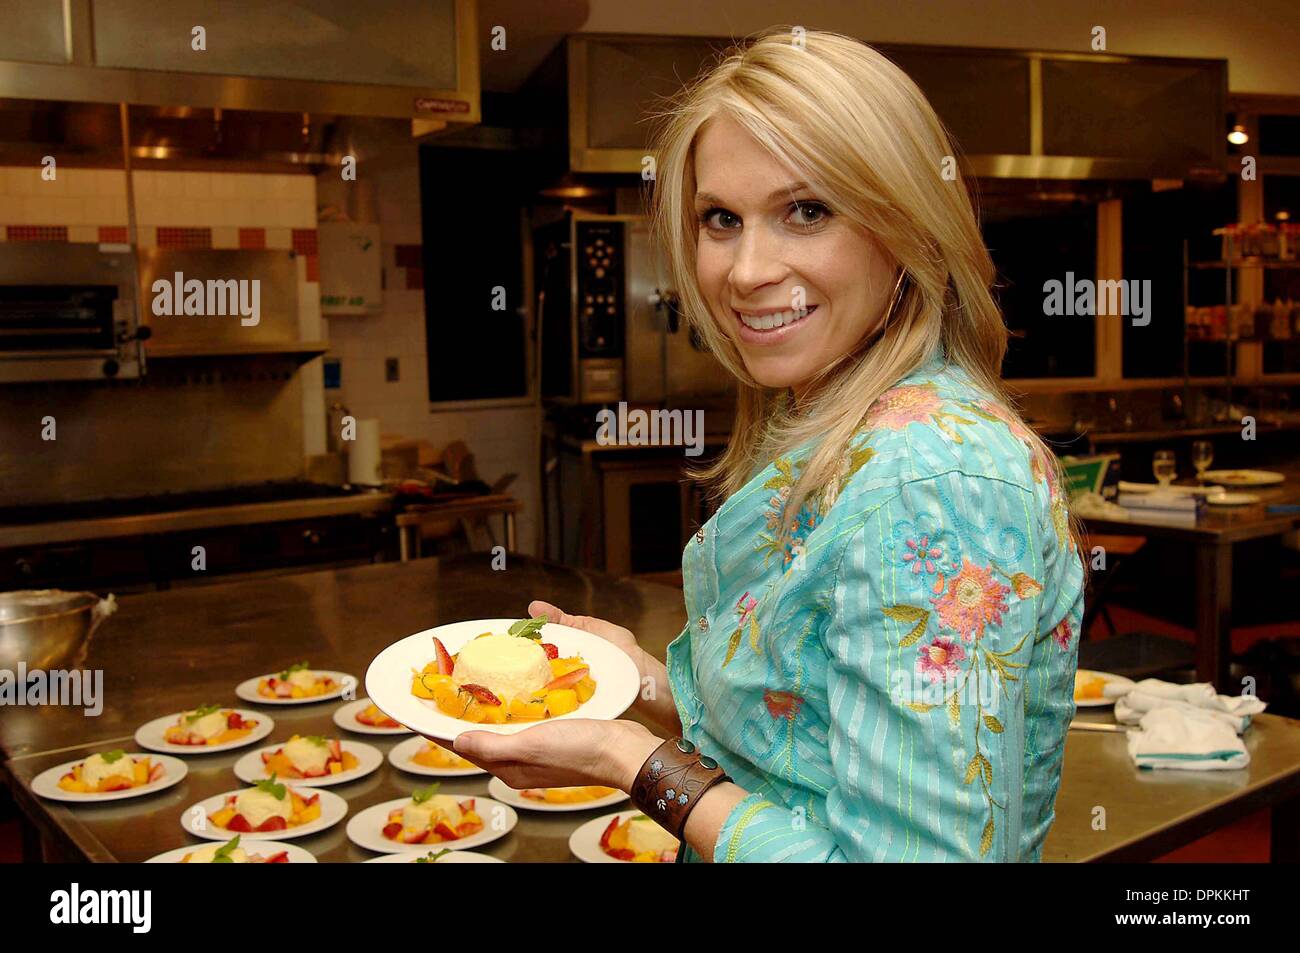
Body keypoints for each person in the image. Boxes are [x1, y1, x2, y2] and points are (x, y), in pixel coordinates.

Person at [452, 28, 1085, 862]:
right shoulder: (843, 426)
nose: (746, 270)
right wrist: (643, 682)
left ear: (906, 227)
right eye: (721, 218)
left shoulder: (926, 475)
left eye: (807, 210)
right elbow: (809, 750)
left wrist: (630, 760)